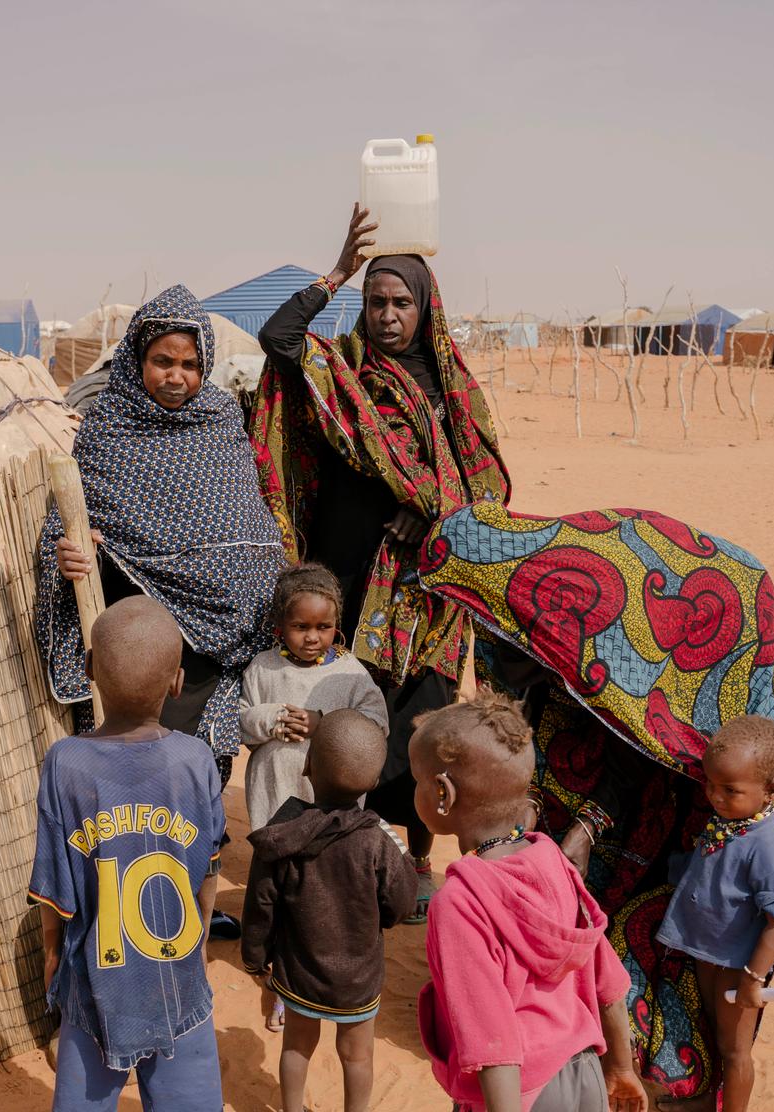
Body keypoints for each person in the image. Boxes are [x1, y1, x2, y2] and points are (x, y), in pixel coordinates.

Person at [414, 501, 774, 1105]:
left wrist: (584, 829)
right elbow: (509, 723)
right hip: (559, 794)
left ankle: (644, 1054)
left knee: (607, 925)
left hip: (640, 774)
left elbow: (632, 742)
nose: (489, 637)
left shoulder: (594, 624)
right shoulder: (494, 611)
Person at [251, 205, 509, 921]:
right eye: (376, 301)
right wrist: (336, 272)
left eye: (401, 303)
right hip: (346, 571)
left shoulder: (452, 388)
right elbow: (279, 338)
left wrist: (430, 507)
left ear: (426, 310)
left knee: (422, 722)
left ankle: (417, 859)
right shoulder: (341, 369)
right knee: (342, 713)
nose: (389, 315)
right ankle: (337, 845)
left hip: (423, 595)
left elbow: (487, 489)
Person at [37, 285, 283, 787]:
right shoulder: (107, 426)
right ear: (136, 358)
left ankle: (200, 842)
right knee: (133, 762)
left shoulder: (219, 418)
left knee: (190, 762)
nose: (176, 377)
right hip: (135, 627)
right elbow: (67, 523)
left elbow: (246, 521)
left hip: (212, 640)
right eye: (162, 361)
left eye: (190, 364)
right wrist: (69, 554)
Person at [28, 596, 226, 1112]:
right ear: (178, 682)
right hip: (178, 975)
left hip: (95, 983)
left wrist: (52, 951)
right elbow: (208, 866)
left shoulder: (65, 762)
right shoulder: (195, 758)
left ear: (89, 669)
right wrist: (199, 939)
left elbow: (55, 882)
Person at [411, 689, 645, 1112]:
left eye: (416, 781)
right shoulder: (554, 862)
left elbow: (492, 1042)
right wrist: (622, 1069)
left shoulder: (460, 903)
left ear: (443, 793)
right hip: (585, 1074)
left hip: (519, 1095)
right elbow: (606, 981)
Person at [240, 709, 417, 1112]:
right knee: (357, 1056)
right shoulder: (377, 839)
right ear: (372, 782)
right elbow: (403, 902)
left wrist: (256, 962)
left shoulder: (283, 830)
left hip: (298, 972)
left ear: (307, 766)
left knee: (296, 1048)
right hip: (357, 979)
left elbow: (260, 904)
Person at [657, 716, 774, 1112]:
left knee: (736, 1049)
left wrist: (754, 979)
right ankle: (708, 1100)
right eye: (711, 785)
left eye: (730, 790)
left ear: (771, 791)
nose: (716, 797)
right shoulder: (729, 821)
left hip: (739, 965)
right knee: (715, 1033)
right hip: (710, 954)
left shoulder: (766, 846)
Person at [239, 563, 388, 834]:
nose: (312, 637)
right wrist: (274, 719)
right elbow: (241, 721)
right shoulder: (263, 667)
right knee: (275, 850)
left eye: (323, 627)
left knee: (324, 858)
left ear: (336, 625)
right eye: (300, 626)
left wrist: (325, 725)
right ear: (280, 624)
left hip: (332, 799)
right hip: (274, 788)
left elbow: (377, 724)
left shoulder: (350, 672)